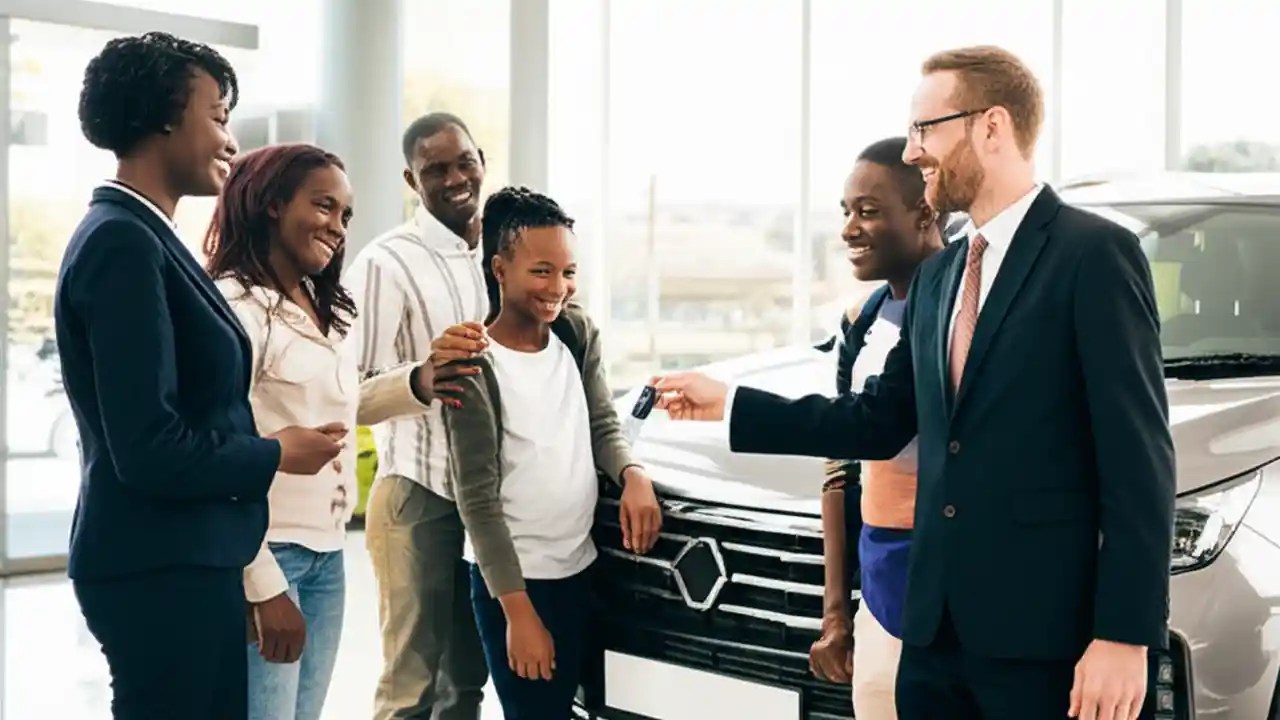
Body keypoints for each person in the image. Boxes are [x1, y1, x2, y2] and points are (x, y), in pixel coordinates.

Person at [653, 45, 1175, 720]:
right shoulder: (938, 276)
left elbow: (1139, 462)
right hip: (931, 641)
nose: (911, 151)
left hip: (1043, 643)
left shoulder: (1094, 255)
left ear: (992, 127)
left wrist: (1125, 635)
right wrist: (730, 403)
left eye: (925, 129)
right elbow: (877, 421)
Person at [55, 33, 343, 720]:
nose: (228, 138)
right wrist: (276, 453)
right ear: (163, 116)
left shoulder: (144, 236)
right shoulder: (121, 242)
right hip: (159, 570)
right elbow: (150, 446)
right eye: (216, 114)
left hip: (183, 561)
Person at [443, 186, 662, 719]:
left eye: (568, 272)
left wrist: (631, 473)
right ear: (500, 269)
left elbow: (602, 422)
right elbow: (476, 501)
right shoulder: (472, 364)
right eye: (541, 271)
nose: (558, 287)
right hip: (517, 586)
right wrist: (517, 613)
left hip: (583, 570)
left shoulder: (574, 333)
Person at [342, 112, 495, 719]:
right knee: (412, 684)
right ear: (412, 179)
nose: (455, 178)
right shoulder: (386, 262)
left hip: (491, 500)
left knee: (467, 683)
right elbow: (344, 392)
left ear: (481, 158)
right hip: (417, 496)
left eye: (464, 162)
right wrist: (420, 380)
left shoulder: (505, 252)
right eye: (435, 169)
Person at [808, 137, 946, 720]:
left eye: (867, 211)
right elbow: (841, 466)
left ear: (925, 213)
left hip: (948, 591)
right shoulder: (860, 318)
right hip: (880, 589)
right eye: (846, 211)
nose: (848, 230)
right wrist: (837, 610)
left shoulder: (960, 315)